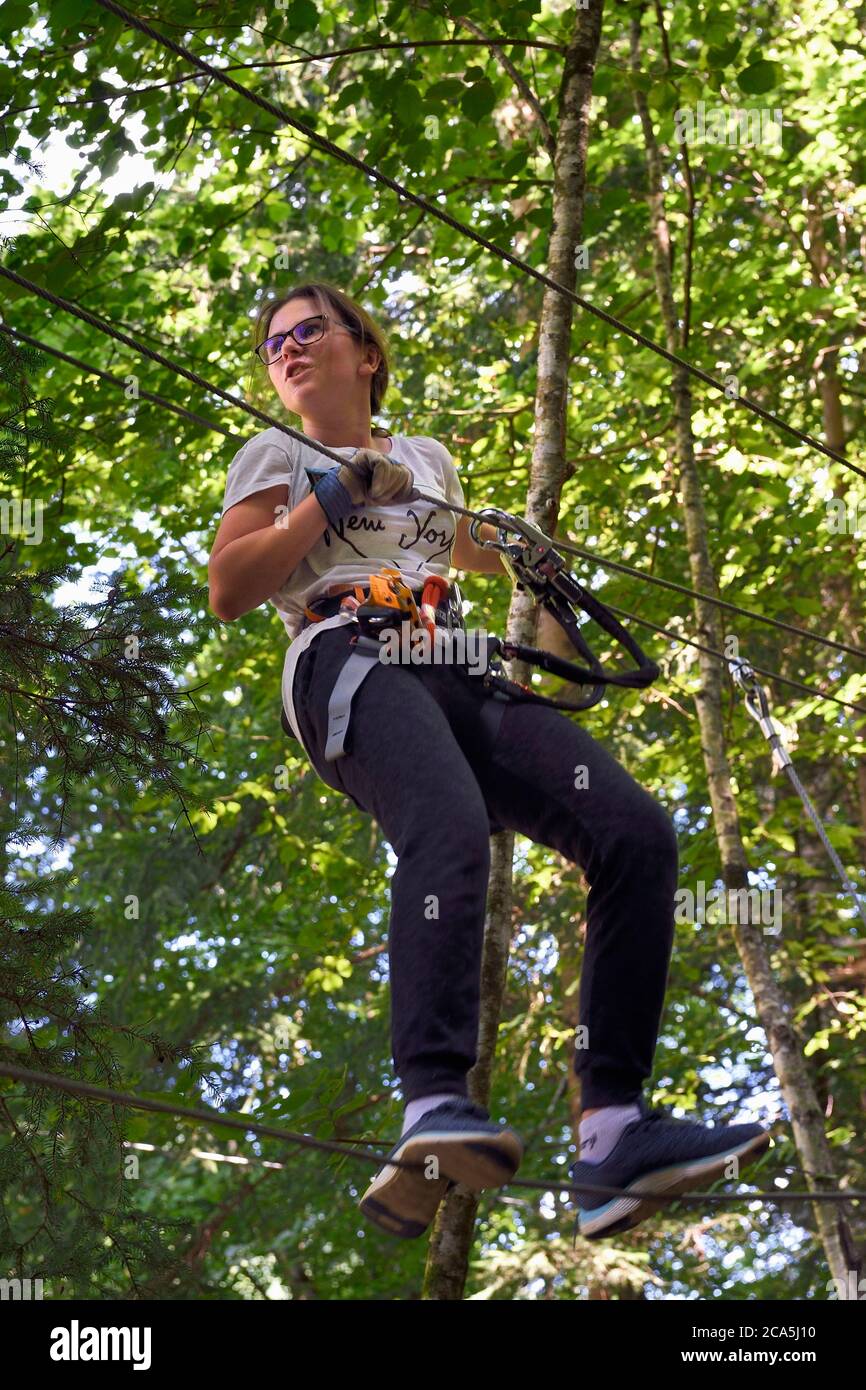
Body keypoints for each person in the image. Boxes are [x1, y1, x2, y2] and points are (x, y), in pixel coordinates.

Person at [208, 281, 770, 1242]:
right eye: (274, 345)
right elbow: (231, 585)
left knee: (633, 832)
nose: (290, 350)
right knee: (449, 825)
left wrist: (532, 566)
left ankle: (613, 1130)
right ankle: (432, 1102)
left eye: (310, 331)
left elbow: (469, 552)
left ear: (366, 353)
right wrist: (332, 497)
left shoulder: (427, 460)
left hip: (454, 665)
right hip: (349, 655)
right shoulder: (277, 455)